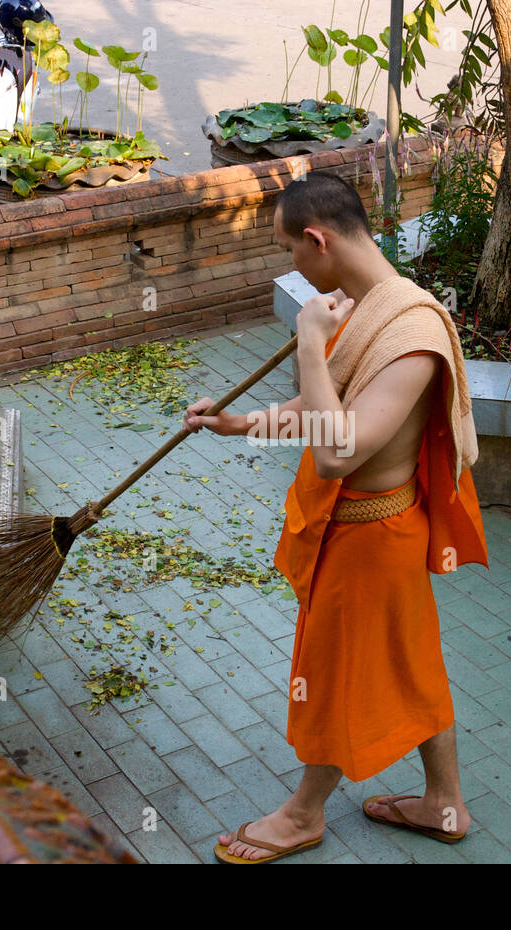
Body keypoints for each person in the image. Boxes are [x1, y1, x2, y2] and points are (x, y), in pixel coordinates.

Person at [182, 171, 488, 863]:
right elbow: (326, 408)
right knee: (414, 665)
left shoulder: (410, 332)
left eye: (288, 247)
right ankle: (444, 802)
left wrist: (312, 346)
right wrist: (238, 424)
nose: (290, 262)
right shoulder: (364, 302)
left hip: (371, 536)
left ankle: (301, 815)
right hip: (368, 530)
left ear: (316, 239)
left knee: (328, 675)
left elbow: (336, 453)